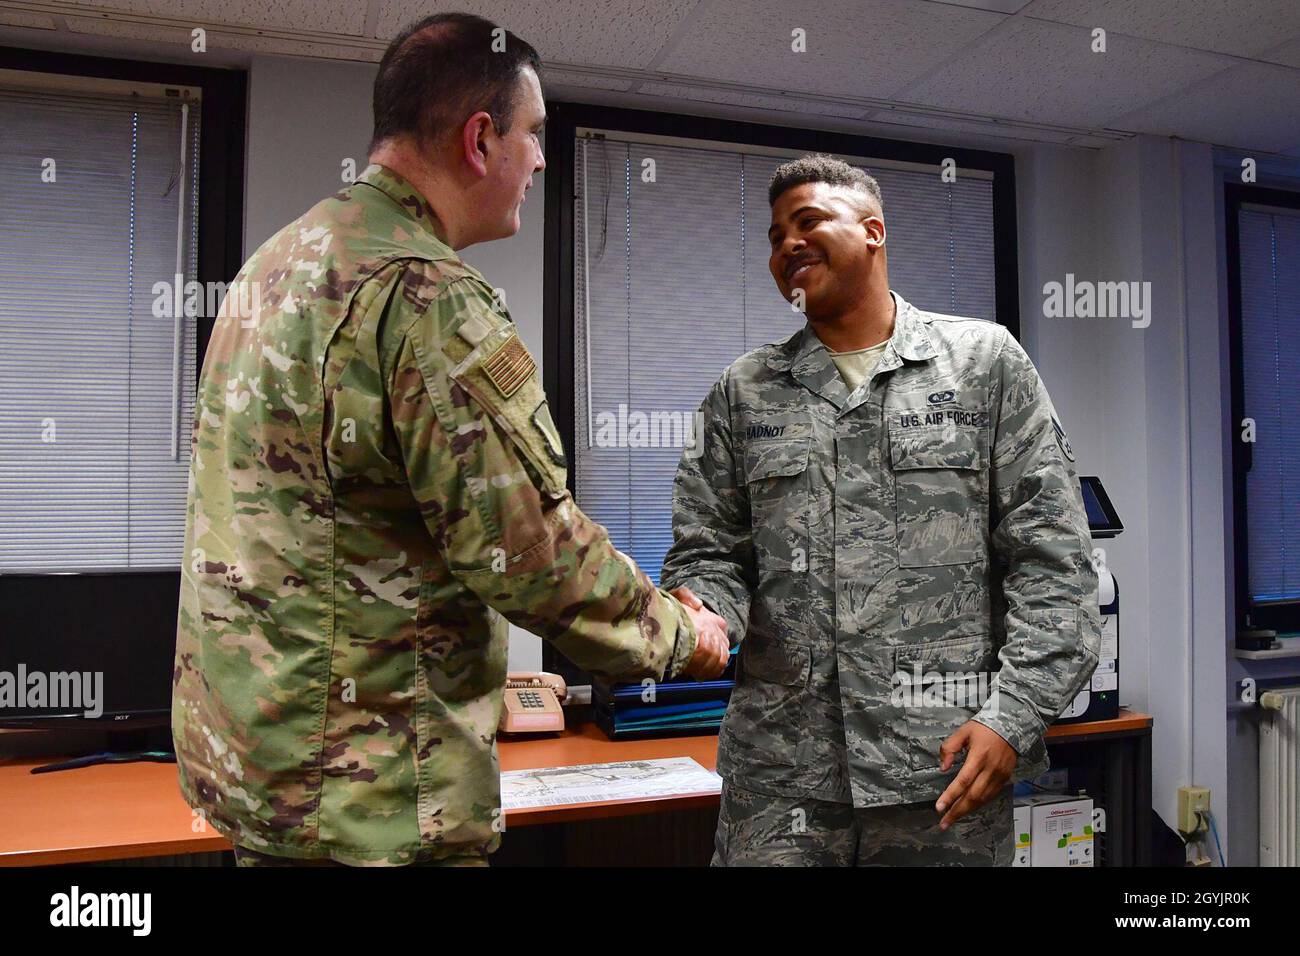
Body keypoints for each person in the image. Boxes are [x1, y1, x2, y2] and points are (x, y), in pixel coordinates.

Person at [172, 12, 728, 868]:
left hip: (265, 785)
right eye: (534, 135)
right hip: (378, 803)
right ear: (481, 138)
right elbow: (533, 552)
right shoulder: (429, 298)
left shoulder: (272, 266)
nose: (541, 160)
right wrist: (683, 636)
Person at [660, 154, 1099, 866]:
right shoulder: (745, 392)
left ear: (873, 231)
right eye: (775, 236)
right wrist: (702, 612)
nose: (787, 245)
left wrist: (1013, 717)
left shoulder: (984, 365)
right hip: (783, 780)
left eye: (807, 223)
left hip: (940, 769)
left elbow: (1055, 566)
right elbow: (709, 553)